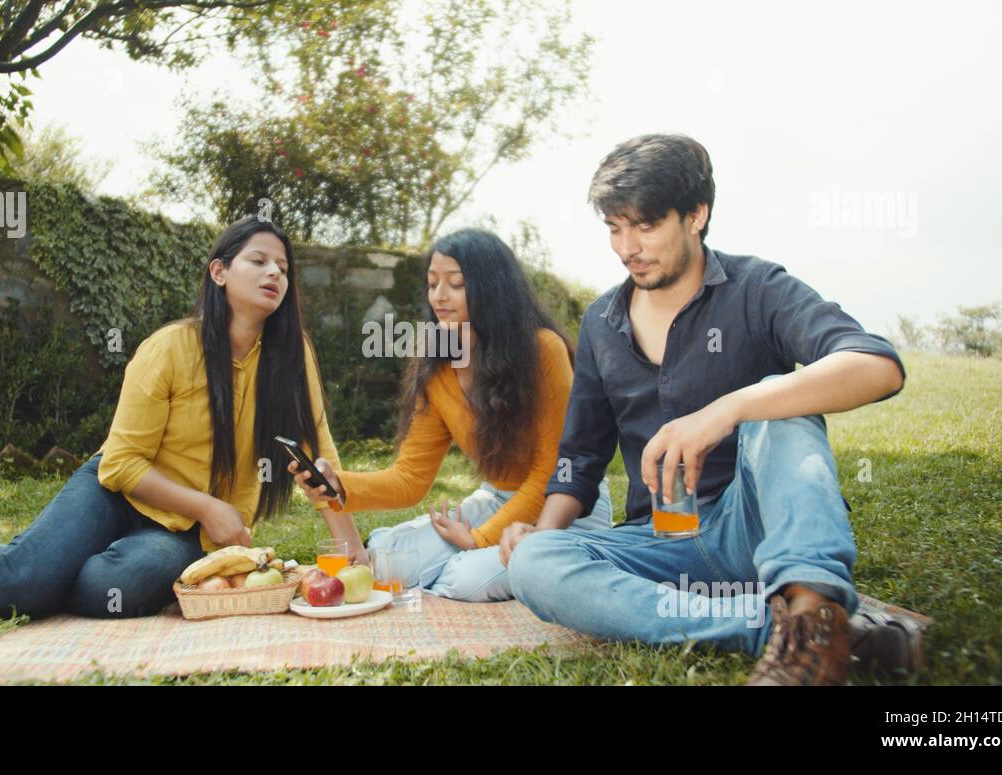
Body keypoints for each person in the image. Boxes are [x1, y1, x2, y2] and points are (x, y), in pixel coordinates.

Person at [503, 134, 919, 685]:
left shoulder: (758, 289)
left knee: (780, 406)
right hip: (660, 542)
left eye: (645, 225)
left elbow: (877, 365)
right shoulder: (602, 321)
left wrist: (732, 408)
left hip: (757, 526)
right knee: (536, 565)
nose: (628, 246)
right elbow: (580, 456)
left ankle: (812, 603)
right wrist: (542, 531)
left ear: (696, 215)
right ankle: (799, 633)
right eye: (614, 227)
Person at [0, 215, 364, 618]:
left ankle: (35, 574)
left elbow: (323, 461)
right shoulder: (169, 348)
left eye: (282, 267)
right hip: (115, 492)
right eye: (258, 261)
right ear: (219, 272)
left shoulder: (293, 358)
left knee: (120, 588)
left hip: (185, 532)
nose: (274, 273)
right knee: (22, 584)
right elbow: (121, 464)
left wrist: (354, 560)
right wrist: (209, 505)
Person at [290, 228, 612, 602]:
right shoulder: (437, 364)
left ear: (492, 289)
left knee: (463, 580)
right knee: (387, 562)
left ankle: (578, 554)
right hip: (496, 498)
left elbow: (551, 472)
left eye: (455, 284)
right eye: (432, 283)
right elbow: (410, 477)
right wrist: (341, 485)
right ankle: (454, 558)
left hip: (566, 506)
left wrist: (479, 540)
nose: (439, 296)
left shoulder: (543, 350)